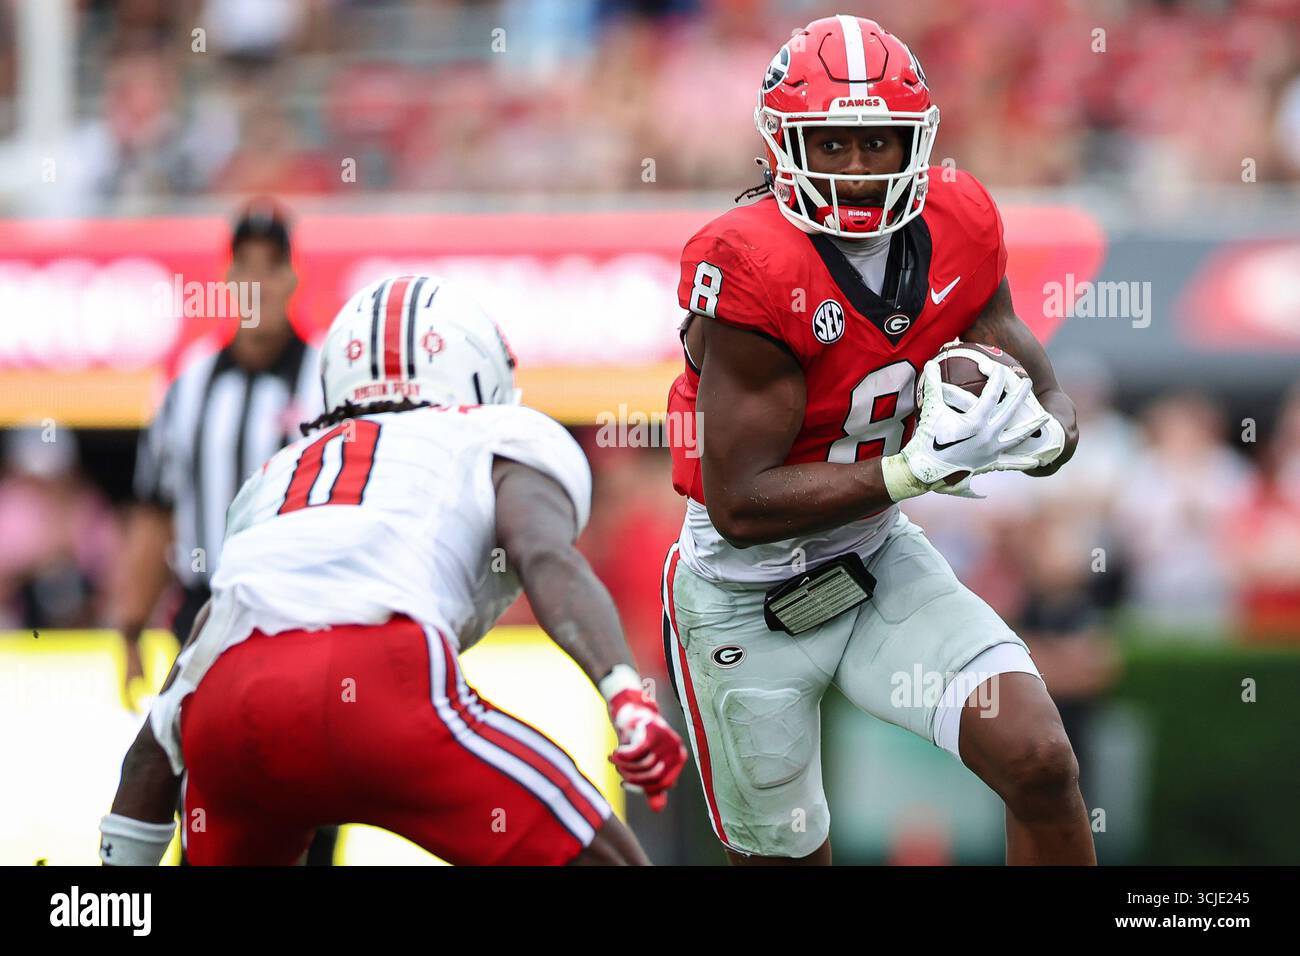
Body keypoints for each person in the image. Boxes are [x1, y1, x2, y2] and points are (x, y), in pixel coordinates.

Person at [662, 16, 1092, 865]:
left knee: (1040, 760)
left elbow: (1038, 376)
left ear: (919, 141)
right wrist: (913, 471)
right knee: (790, 854)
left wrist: (1044, 437)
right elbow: (740, 503)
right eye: (834, 144)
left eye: (879, 142)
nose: (858, 168)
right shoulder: (749, 264)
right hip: (743, 588)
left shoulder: (960, 214)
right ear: (785, 146)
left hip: (872, 557)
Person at [101, 275, 686, 865]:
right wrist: (625, 696)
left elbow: (161, 734)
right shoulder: (495, 431)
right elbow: (545, 556)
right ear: (479, 369)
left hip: (229, 706)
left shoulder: (275, 476)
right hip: (377, 678)